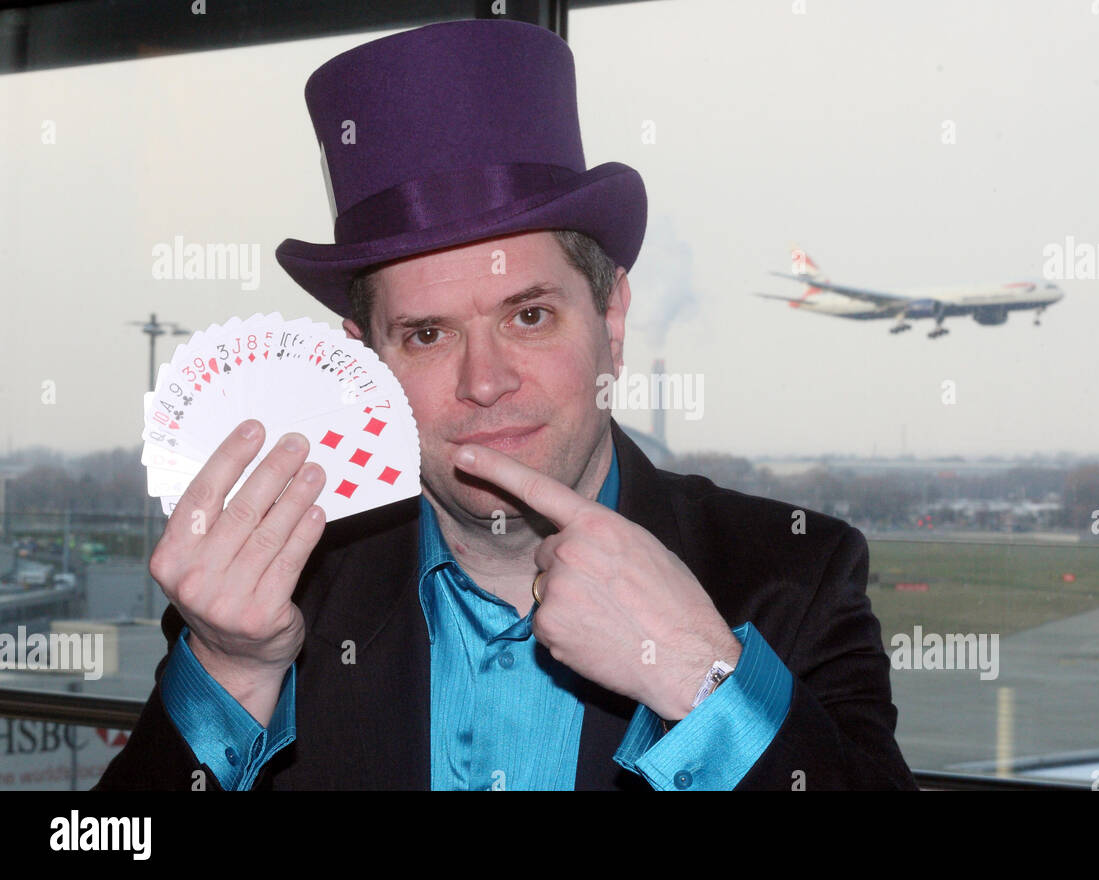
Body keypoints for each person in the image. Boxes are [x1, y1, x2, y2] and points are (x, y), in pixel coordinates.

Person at [95, 18, 916, 791]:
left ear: (611, 319)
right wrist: (233, 673)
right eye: (425, 334)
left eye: (528, 316)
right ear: (362, 364)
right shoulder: (277, 595)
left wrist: (700, 679)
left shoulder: (791, 578)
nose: (484, 382)